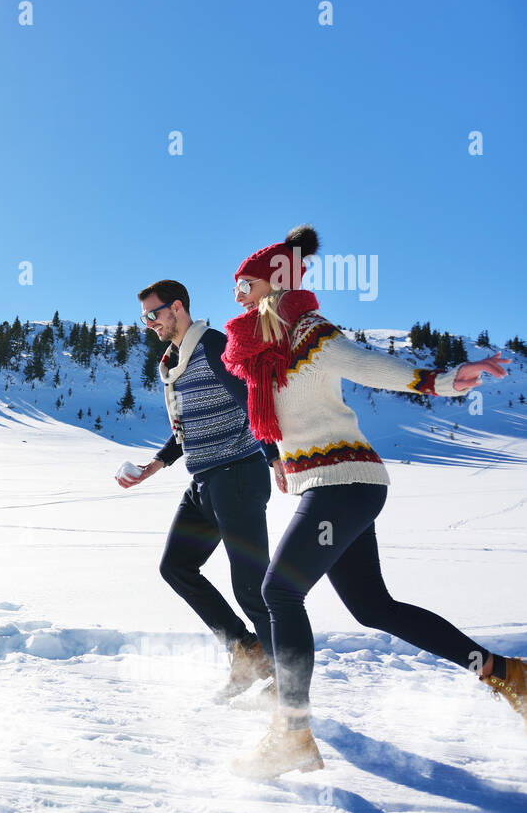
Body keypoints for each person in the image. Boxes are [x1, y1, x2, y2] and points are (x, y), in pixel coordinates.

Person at [219, 224, 522, 779]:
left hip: (346, 483)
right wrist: (281, 457)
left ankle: (291, 734)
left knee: (279, 592)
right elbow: (280, 415)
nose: (234, 291)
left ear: (271, 284)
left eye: (244, 282)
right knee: (373, 607)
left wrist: (447, 379)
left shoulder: (307, 332)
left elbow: (368, 367)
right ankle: (507, 673)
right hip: (330, 484)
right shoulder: (262, 351)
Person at [117, 280, 282, 703]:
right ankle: (247, 650)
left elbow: (249, 399)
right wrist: (155, 464)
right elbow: (185, 427)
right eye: (143, 318)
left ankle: (287, 679)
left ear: (177, 308)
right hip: (204, 480)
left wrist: (274, 457)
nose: (148, 324)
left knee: (251, 587)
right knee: (176, 567)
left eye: (153, 314)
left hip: (238, 475)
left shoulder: (211, 345)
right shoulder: (173, 360)